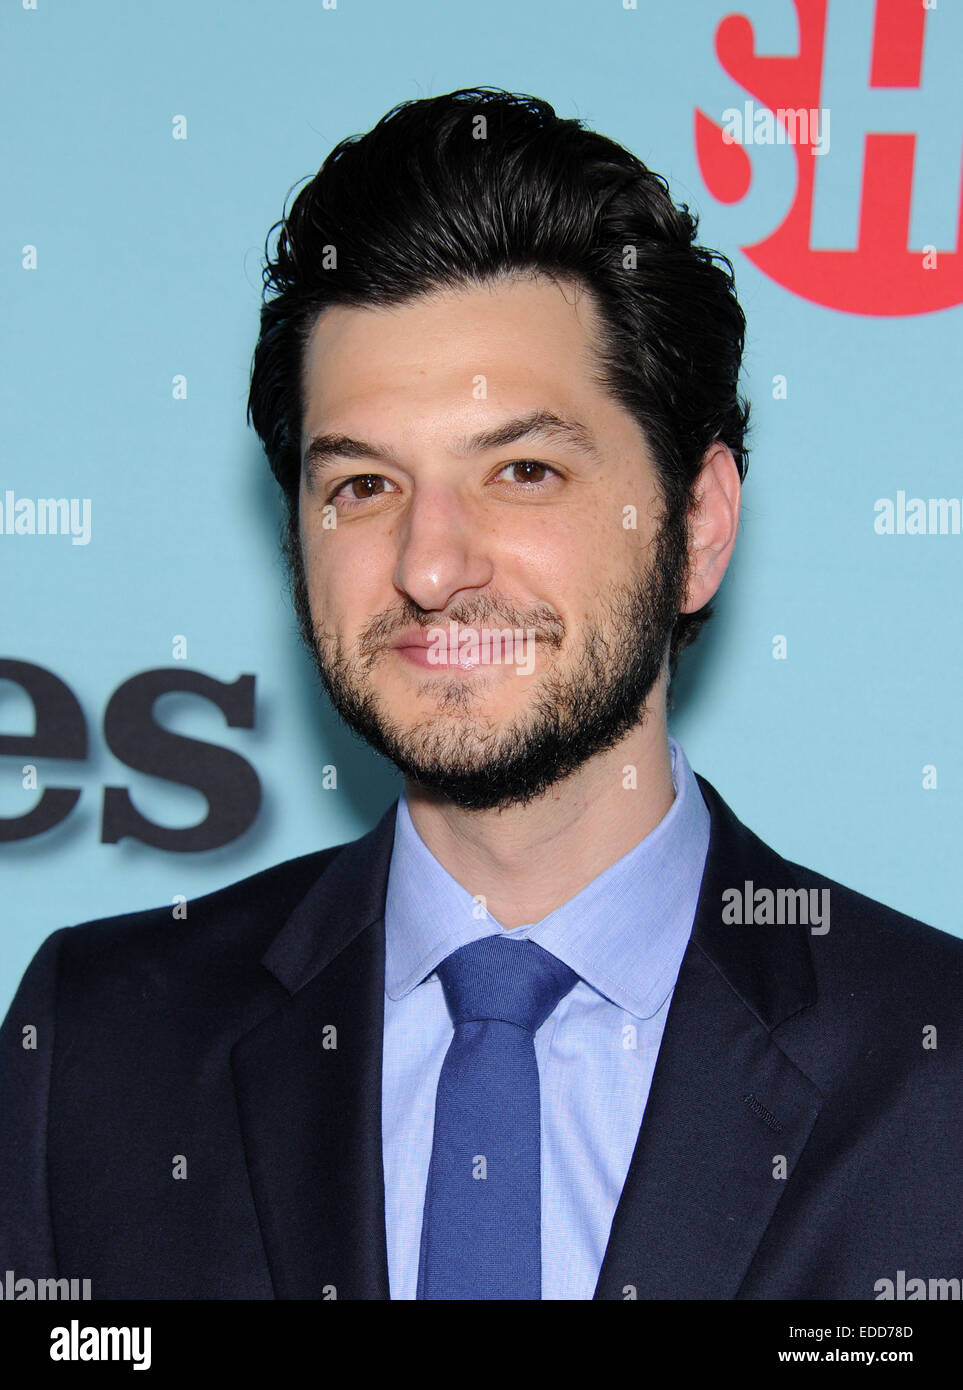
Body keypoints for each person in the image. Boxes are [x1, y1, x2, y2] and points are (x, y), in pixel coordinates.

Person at [1, 87, 961, 1302]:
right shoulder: (94, 1052)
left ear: (699, 523)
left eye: (523, 469)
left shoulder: (936, 1072)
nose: (430, 565)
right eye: (361, 485)